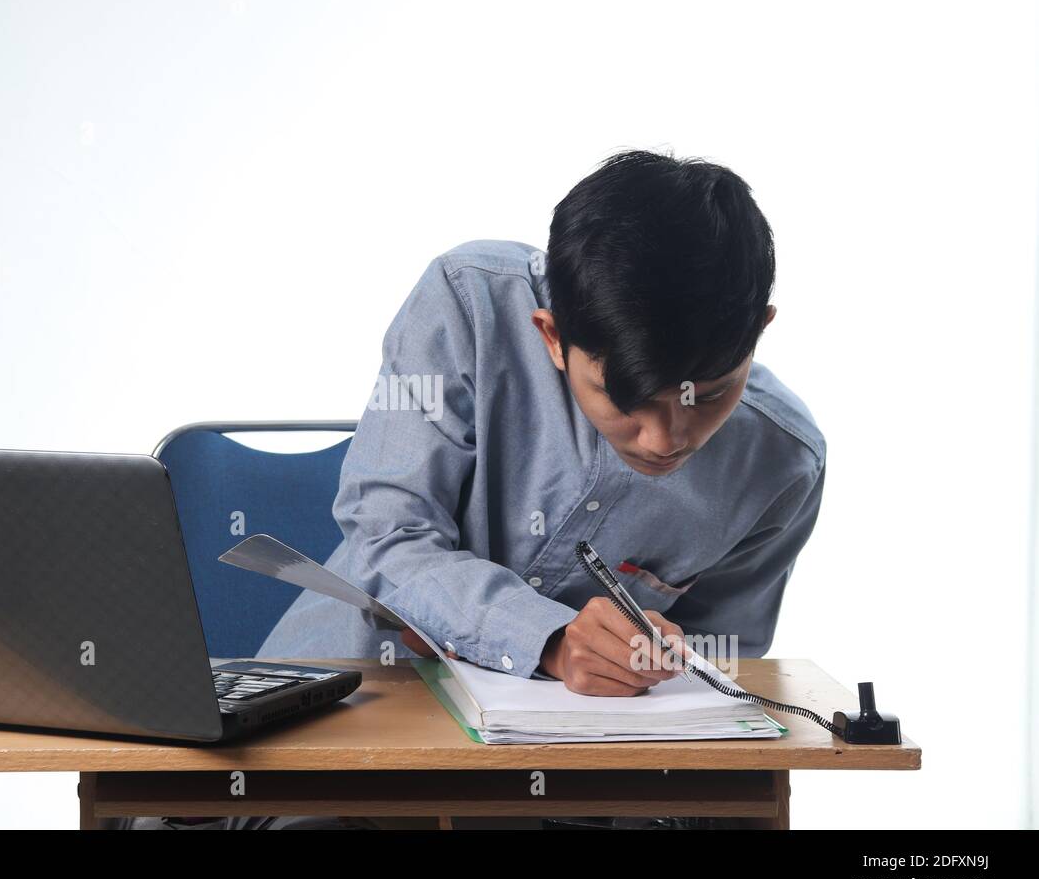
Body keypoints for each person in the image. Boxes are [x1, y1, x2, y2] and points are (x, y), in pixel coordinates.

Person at [257, 149, 825, 702]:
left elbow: (721, 666)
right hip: (348, 706)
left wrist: (663, 663)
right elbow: (387, 533)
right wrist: (548, 639)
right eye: (624, 399)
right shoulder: (467, 304)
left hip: (573, 773)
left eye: (710, 395)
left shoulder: (783, 464)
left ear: (759, 331)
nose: (666, 441)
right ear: (552, 337)